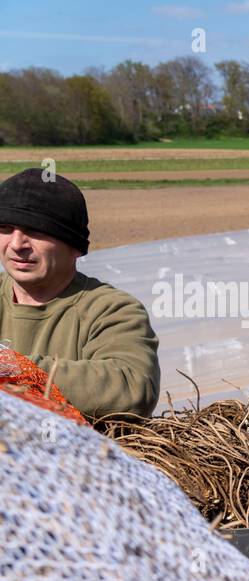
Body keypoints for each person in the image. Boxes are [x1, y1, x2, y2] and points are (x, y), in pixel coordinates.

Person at [0, 168, 160, 418]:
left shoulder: (111, 310)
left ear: (74, 246)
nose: (17, 244)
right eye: (6, 228)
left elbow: (133, 389)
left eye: (37, 230)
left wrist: (13, 369)